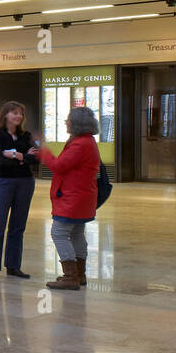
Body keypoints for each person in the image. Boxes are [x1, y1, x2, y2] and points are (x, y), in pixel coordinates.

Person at [32, 106, 101, 291]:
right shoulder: (86, 141)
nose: (66, 122)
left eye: (69, 119)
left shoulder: (80, 144)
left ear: (76, 123)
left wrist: (43, 150)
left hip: (73, 197)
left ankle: (71, 276)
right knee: (77, 233)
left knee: (59, 233)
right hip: (82, 196)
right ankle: (79, 274)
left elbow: (58, 166)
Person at [0, 101, 38, 280]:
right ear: (5, 115)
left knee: (18, 225)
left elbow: (37, 159)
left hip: (25, 182)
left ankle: (13, 266)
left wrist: (15, 155)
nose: (18, 116)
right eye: (14, 113)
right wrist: (23, 157)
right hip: (3, 181)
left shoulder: (26, 136)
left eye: (20, 114)